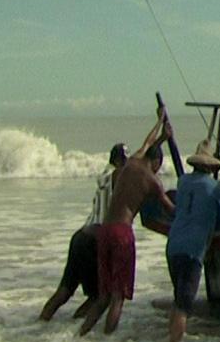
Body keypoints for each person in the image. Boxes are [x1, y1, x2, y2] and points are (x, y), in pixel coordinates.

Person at [39, 118, 166, 322]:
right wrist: (161, 137)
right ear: (118, 162)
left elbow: (146, 147)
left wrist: (160, 126)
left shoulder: (103, 176)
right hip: (97, 238)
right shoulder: (122, 174)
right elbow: (146, 150)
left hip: (81, 235)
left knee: (65, 290)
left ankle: (42, 324)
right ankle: (81, 332)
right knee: (101, 296)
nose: (128, 164)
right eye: (124, 160)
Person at [79, 140, 175, 336]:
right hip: (122, 232)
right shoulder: (152, 181)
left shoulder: (129, 164)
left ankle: (80, 335)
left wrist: (161, 130)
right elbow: (170, 209)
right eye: (159, 166)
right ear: (156, 161)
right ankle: (107, 339)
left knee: (103, 296)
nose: (158, 171)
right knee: (118, 297)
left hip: (104, 230)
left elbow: (148, 141)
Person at [165, 140, 220, 342]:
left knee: (179, 300)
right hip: (192, 250)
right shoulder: (215, 189)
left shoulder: (183, 182)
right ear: (211, 166)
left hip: (173, 245)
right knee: (184, 307)